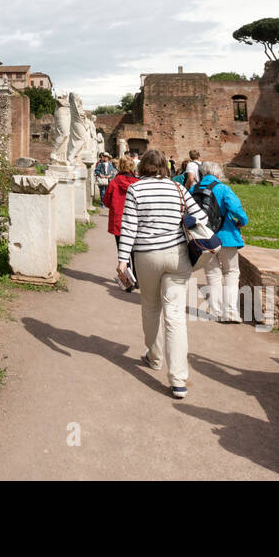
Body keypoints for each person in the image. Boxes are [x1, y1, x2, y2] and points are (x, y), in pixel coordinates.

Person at [117, 149, 210, 399]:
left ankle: (155, 357)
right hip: (177, 255)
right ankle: (179, 380)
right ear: (164, 168)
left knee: (150, 306)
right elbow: (201, 217)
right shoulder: (178, 189)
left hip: (146, 255)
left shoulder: (136, 189)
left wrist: (122, 259)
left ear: (142, 167)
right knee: (176, 316)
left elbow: (129, 227)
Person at [191, 162, 249, 322]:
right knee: (231, 272)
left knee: (212, 273)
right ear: (217, 175)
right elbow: (236, 209)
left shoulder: (193, 190)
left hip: (204, 238)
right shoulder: (223, 188)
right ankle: (230, 312)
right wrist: (242, 221)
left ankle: (216, 311)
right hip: (226, 236)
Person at [102, 155, 140, 258]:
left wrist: (115, 206)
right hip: (134, 221)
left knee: (122, 253)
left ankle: (124, 273)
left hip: (118, 219)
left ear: (120, 166)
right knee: (135, 253)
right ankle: (136, 274)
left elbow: (106, 201)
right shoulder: (138, 183)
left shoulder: (114, 182)